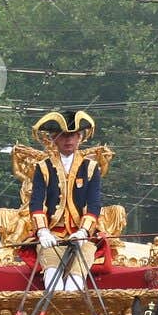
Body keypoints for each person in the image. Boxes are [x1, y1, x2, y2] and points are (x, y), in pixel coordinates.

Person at [28, 108, 104, 291]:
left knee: (73, 286)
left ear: (80, 137)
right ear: (54, 138)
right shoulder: (43, 167)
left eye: (73, 136)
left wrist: (84, 232)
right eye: (63, 136)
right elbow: (36, 202)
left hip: (81, 238)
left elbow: (94, 204)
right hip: (52, 237)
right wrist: (43, 231)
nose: (68, 140)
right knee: (53, 284)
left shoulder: (91, 168)